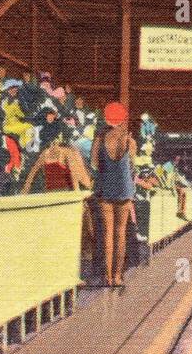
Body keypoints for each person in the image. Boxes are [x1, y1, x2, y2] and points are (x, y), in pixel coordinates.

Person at [92, 102, 136, 288]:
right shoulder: (129, 141)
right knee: (120, 234)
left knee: (107, 234)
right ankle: (118, 276)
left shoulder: (99, 140)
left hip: (105, 188)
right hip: (124, 189)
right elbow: (132, 166)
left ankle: (107, 277)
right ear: (123, 118)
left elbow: (94, 165)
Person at [22, 125, 92, 193]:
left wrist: (25, 190)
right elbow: (73, 172)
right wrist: (77, 190)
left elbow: (33, 172)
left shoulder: (46, 152)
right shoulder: (67, 152)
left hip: (51, 191)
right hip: (66, 190)